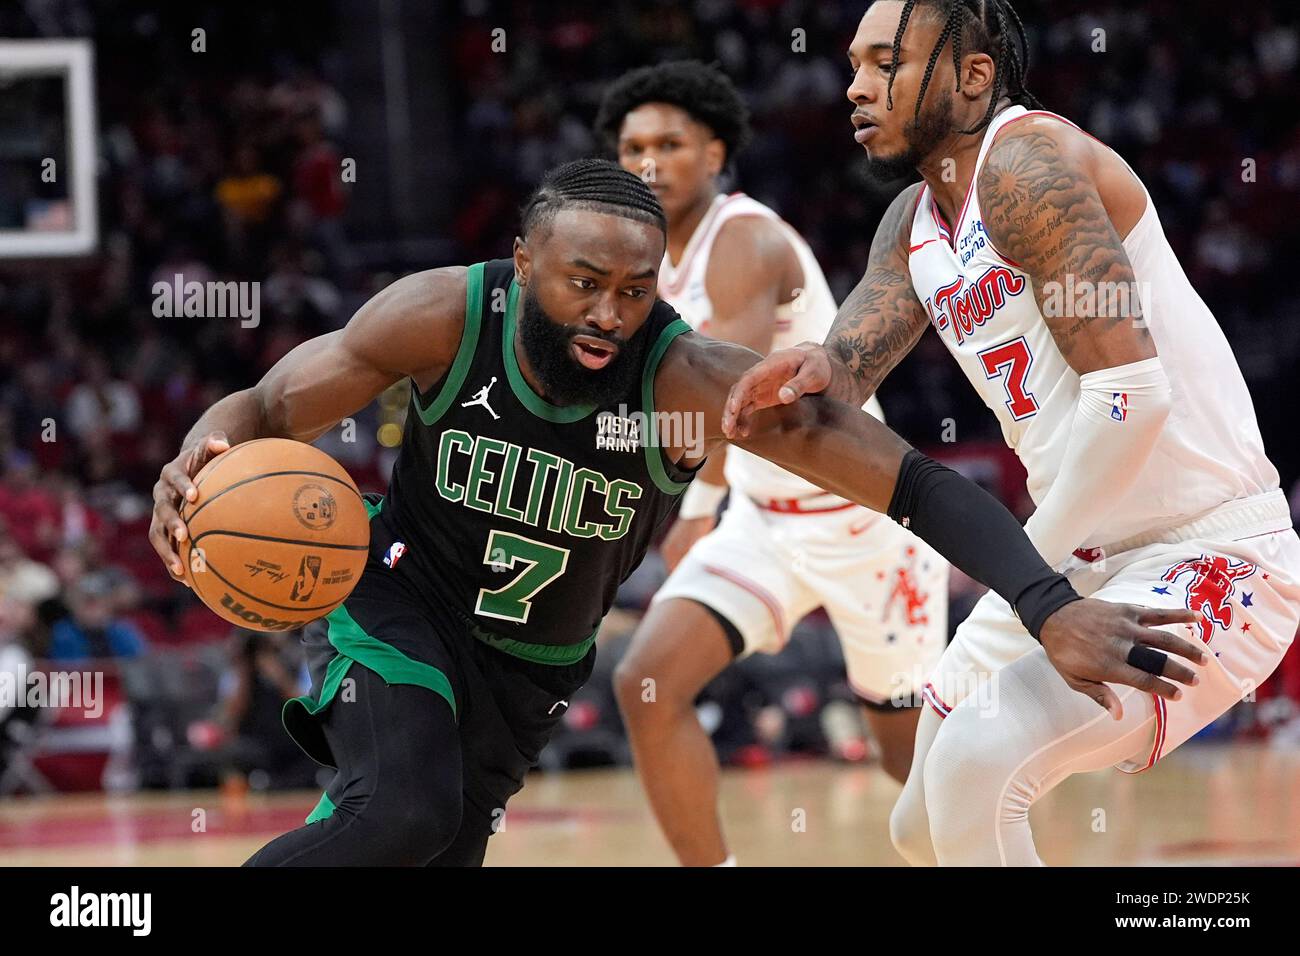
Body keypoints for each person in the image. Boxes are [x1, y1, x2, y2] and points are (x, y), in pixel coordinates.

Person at [149, 158, 1201, 867]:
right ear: (523, 265)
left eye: (634, 287)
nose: (610, 313)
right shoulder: (442, 314)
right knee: (400, 813)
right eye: (582, 284)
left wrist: (1048, 602)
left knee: (422, 844)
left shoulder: (688, 379)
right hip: (401, 609)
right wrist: (201, 455)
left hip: (530, 674)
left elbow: (912, 481)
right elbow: (269, 406)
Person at [723, 0, 1300, 866]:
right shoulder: (912, 225)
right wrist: (810, 367)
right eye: (852, 64)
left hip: (1216, 552)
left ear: (973, 75)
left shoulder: (1028, 161)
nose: (853, 87)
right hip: (1076, 561)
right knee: (916, 828)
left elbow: (1132, 398)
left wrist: (1023, 587)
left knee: (976, 766)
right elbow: (847, 365)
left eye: (886, 63)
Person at [597, 61, 948, 867]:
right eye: (633, 146)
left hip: (866, 523)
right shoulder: (645, 265)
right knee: (647, 683)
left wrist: (681, 508)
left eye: (670, 143)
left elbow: (732, 400)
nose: (648, 160)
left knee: (909, 760)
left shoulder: (746, 239)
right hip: (764, 523)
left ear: (715, 154)